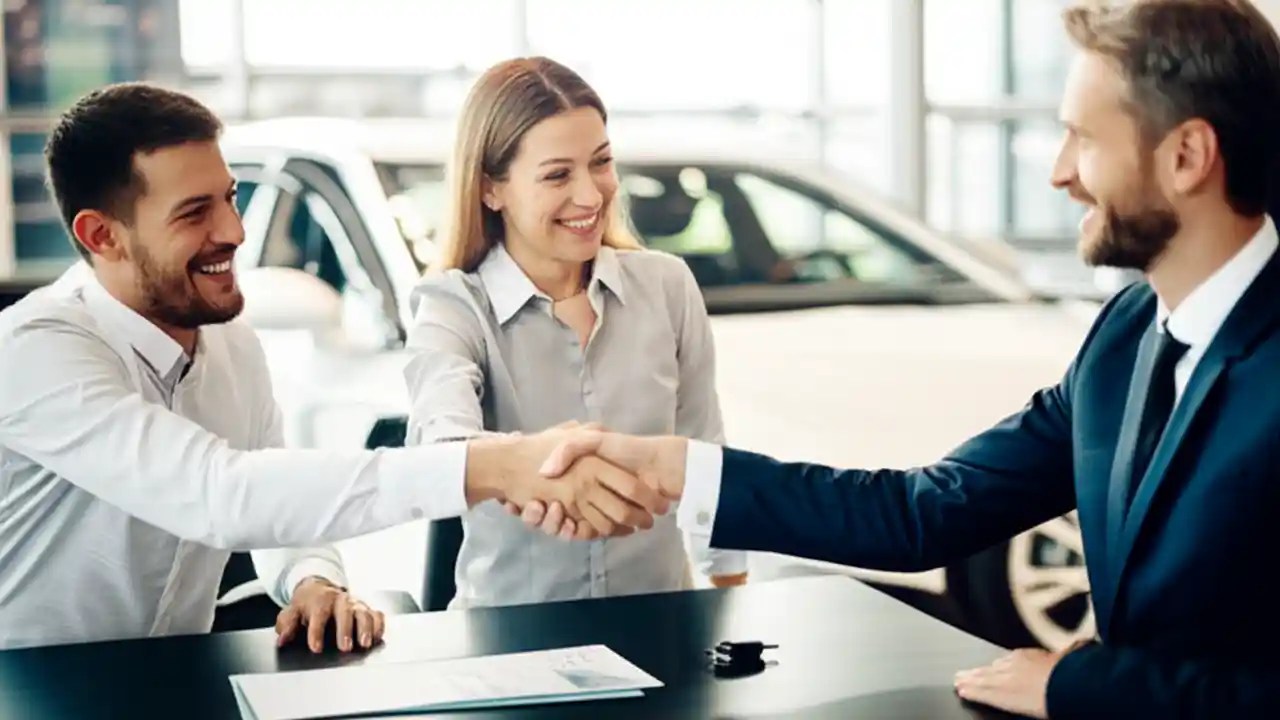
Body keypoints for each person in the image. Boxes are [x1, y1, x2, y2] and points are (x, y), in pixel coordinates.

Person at [527, 1, 1280, 717]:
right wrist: (674, 469)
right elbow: (925, 510)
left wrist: (1084, 684)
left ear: (1187, 156)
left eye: (1082, 138)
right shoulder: (1126, 334)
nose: (1059, 173)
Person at [0, 83, 667, 651]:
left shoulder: (230, 346)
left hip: (168, 681)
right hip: (29, 687)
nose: (233, 230)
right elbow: (219, 495)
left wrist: (313, 579)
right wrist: (500, 465)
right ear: (100, 236)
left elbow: (273, 502)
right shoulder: (35, 349)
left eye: (229, 197)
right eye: (195, 212)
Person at [403, 57, 747, 610]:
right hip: (508, 644)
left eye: (601, 163)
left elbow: (705, 453)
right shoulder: (453, 306)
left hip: (661, 630)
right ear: (492, 189)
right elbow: (438, 450)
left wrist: (730, 599)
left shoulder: (666, 286)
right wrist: (533, 469)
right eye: (557, 174)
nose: (590, 196)